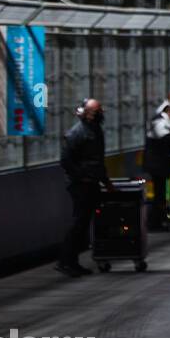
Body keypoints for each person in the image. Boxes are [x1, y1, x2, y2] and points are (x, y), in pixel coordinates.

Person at [57, 99, 110, 277]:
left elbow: (98, 162)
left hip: (91, 183)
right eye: (96, 111)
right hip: (80, 185)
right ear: (87, 113)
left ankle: (72, 261)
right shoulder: (77, 133)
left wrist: (106, 182)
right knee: (79, 222)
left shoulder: (95, 130)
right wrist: (82, 177)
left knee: (84, 223)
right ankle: (66, 261)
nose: (100, 113)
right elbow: (66, 161)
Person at [143, 86, 170, 231]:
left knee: (162, 192)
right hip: (158, 163)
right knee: (160, 193)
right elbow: (168, 138)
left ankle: (161, 219)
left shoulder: (169, 117)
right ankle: (155, 221)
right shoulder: (159, 121)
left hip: (162, 161)